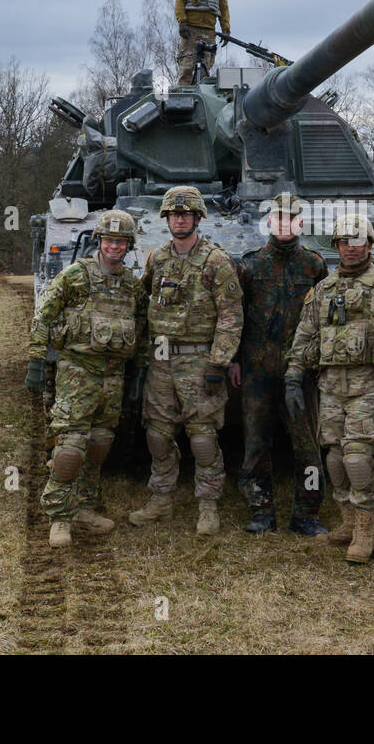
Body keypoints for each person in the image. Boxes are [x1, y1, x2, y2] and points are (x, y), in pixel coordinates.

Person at [284, 213, 374, 563]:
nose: (351, 247)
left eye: (358, 241)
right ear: (336, 246)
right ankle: (345, 522)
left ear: (370, 244)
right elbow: (306, 333)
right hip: (330, 385)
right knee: (334, 458)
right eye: (344, 241)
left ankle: (364, 532)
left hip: (370, 385)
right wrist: (294, 377)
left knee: (358, 458)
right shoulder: (326, 289)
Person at [26, 209, 147, 548]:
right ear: (99, 242)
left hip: (113, 376)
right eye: (109, 240)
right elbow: (44, 314)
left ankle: (85, 508)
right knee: (70, 448)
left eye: (120, 241)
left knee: (99, 444)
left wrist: (139, 369)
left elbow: (142, 330)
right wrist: (36, 361)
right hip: (77, 370)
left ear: (128, 245)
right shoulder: (75, 276)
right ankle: (60, 517)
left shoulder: (132, 286)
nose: (114, 246)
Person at [128, 185, 243, 536]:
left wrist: (219, 363)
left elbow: (231, 316)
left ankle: (207, 505)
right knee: (158, 434)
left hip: (199, 360)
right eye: (174, 214)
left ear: (197, 218)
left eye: (186, 214)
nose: (180, 219)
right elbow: (142, 304)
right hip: (162, 361)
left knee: (202, 437)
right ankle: (161, 498)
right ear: (167, 218)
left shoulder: (216, 261)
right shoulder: (158, 258)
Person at [230, 193, 330, 536]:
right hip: (258, 370)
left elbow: (322, 319)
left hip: (299, 371)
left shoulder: (314, 266)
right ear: (269, 222)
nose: (285, 224)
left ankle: (307, 512)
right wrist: (234, 361)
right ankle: (260, 508)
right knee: (257, 441)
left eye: (291, 218)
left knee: (307, 444)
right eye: (279, 218)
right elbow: (235, 318)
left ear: (300, 223)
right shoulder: (250, 265)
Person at [175, 0, 230, 85]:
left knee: (206, 67)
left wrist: (226, 30)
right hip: (190, 31)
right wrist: (182, 22)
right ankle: (182, 99)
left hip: (209, 32)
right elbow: (179, 0)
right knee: (187, 66)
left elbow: (224, 8)